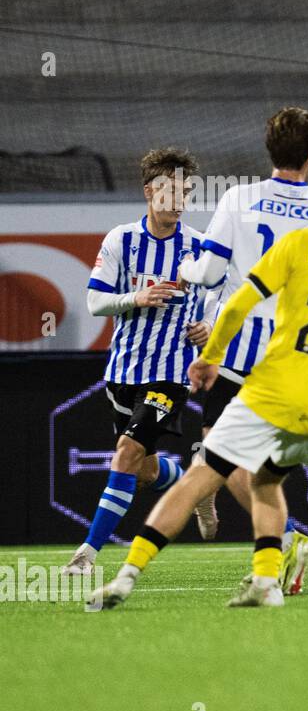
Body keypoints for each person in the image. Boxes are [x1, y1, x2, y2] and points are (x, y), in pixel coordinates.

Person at [87, 161, 308, 609]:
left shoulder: (301, 243)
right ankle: (266, 580)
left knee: (201, 474)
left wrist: (209, 356)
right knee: (266, 481)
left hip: (270, 381)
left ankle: (125, 577)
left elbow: (241, 299)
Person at [178, 106, 308, 590]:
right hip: (299, 351)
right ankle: (280, 547)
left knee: (219, 447)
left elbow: (211, 273)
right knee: (258, 461)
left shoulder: (239, 198)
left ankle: (282, 544)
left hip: (243, 347)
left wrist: (184, 269)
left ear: (270, 151)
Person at [64, 148, 209, 575]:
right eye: (171, 189)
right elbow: (94, 302)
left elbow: (219, 298)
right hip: (123, 374)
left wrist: (208, 327)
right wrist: (136, 297)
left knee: (126, 452)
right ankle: (194, 481)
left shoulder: (199, 247)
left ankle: (87, 554)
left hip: (170, 374)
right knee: (143, 470)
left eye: (185, 190)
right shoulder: (121, 240)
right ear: (150, 191)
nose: (179, 199)